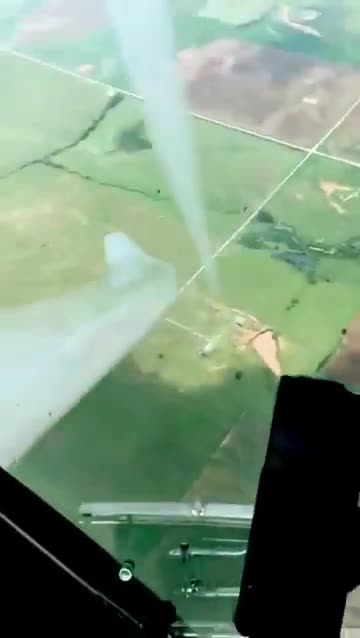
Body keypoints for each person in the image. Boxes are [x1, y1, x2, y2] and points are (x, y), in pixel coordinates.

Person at [234, 315, 360, 637]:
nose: (345, 327)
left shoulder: (336, 423)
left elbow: (306, 469)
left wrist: (272, 367)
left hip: (288, 609)